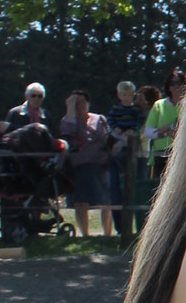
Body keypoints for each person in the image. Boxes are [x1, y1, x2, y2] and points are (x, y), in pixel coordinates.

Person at [59, 90, 115, 239]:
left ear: (88, 103)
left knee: (105, 202)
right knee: (81, 202)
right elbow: (68, 135)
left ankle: (108, 235)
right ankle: (85, 234)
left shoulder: (99, 119)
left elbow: (107, 138)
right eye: (75, 103)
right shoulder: (68, 121)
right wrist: (70, 110)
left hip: (100, 165)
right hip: (79, 166)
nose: (79, 105)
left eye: (82, 102)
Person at [106, 79, 147, 239]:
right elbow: (110, 121)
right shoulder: (115, 109)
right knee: (117, 191)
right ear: (119, 95)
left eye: (129, 95)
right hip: (118, 145)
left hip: (134, 148)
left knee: (135, 190)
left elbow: (139, 123)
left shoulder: (136, 110)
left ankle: (140, 227)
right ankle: (121, 229)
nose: (126, 98)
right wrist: (116, 129)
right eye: (123, 95)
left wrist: (132, 131)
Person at [143, 69, 186, 182]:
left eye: (179, 83)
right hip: (161, 156)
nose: (176, 86)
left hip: (184, 154)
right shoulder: (159, 105)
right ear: (168, 87)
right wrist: (165, 132)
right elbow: (148, 132)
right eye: (172, 83)